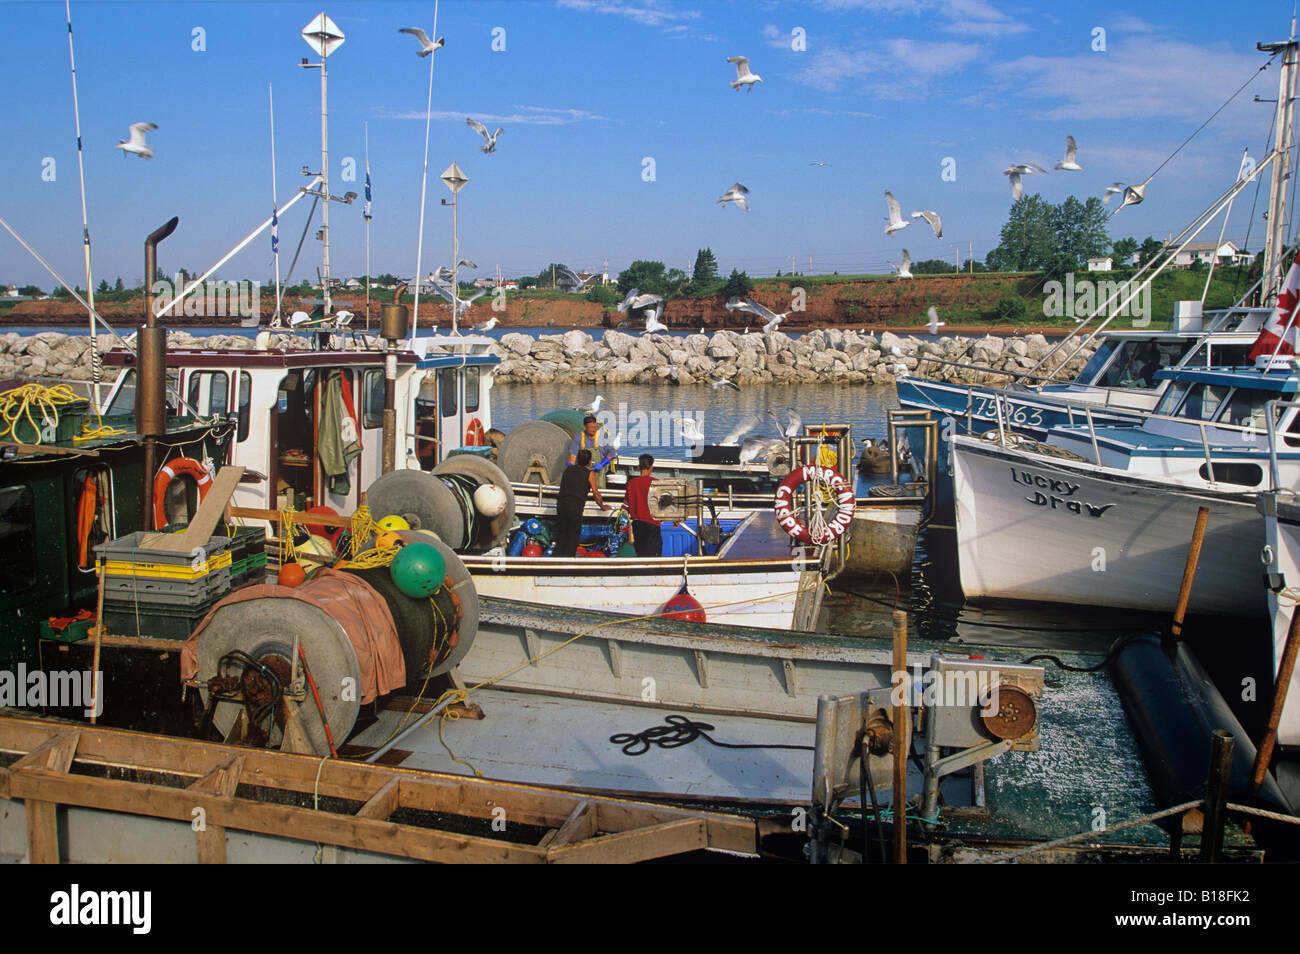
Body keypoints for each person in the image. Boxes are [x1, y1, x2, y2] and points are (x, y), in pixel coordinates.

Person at [554, 448, 610, 557]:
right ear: (589, 461)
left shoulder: (568, 470)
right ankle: (567, 563)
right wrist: (602, 506)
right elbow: (596, 495)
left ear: (577, 460)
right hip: (575, 508)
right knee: (572, 538)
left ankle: (556, 560)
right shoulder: (589, 474)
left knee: (561, 536)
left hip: (561, 505)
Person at [625, 453, 662, 557]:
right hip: (652, 525)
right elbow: (664, 505)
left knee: (641, 556)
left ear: (638, 467)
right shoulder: (656, 483)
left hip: (637, 526)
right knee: (654, 557)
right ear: (651, 467)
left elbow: (626, 507)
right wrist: (674, 520)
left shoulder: (630, 484)